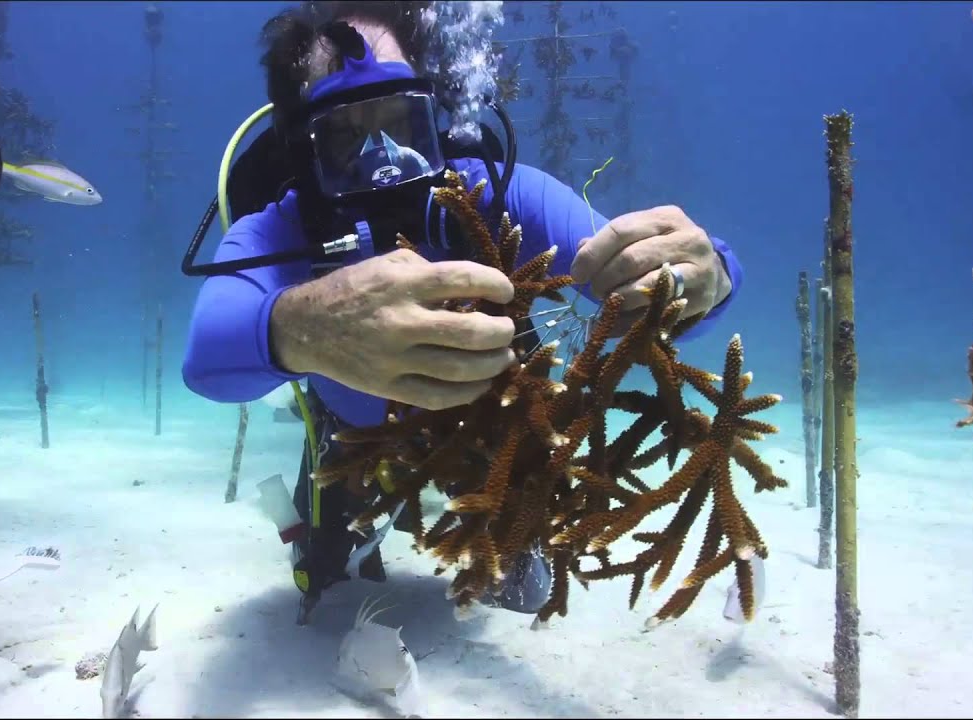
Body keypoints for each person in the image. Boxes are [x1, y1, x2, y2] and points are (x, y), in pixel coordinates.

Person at [182, 1, 744, 623]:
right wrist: (300, 326)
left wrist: (711, 274)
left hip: (487, 437)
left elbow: (639, 283)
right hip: (350, 442)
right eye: (345, 136)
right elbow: (206, 357)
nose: (384, 157)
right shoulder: (279, 231)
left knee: (524, 592)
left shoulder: (500, 197)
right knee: (322, 587)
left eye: (403, 122)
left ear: (439, 117)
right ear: (300, 148)